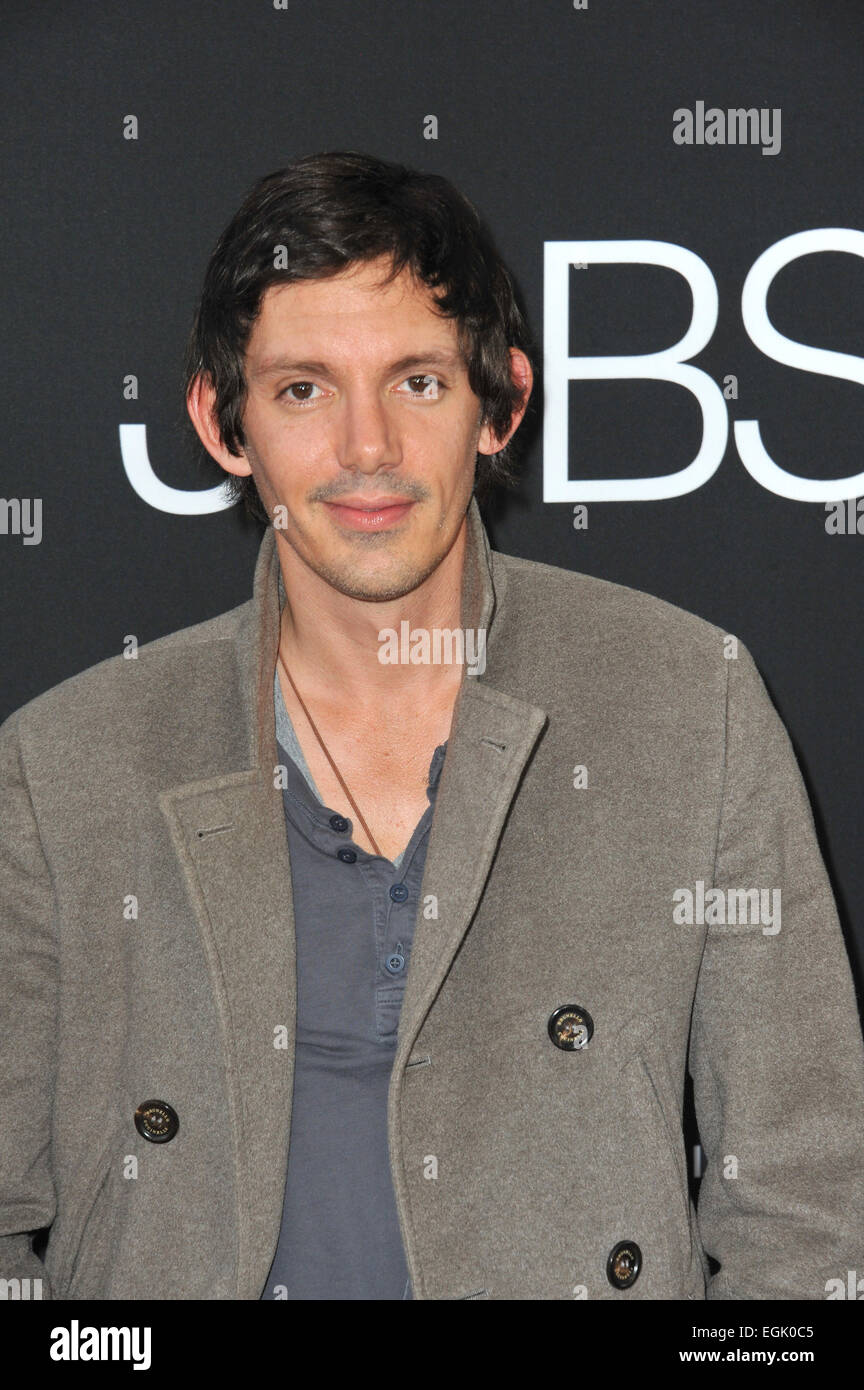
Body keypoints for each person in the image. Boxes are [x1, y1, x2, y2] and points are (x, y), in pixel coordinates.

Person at [1, 151, 863, 1302]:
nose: (367, 450)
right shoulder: (70, 763)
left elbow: (809, 1211)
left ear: (500, 403)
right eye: (304, 388)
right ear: (223, 424)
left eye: (416, 383)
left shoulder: (682, 701)